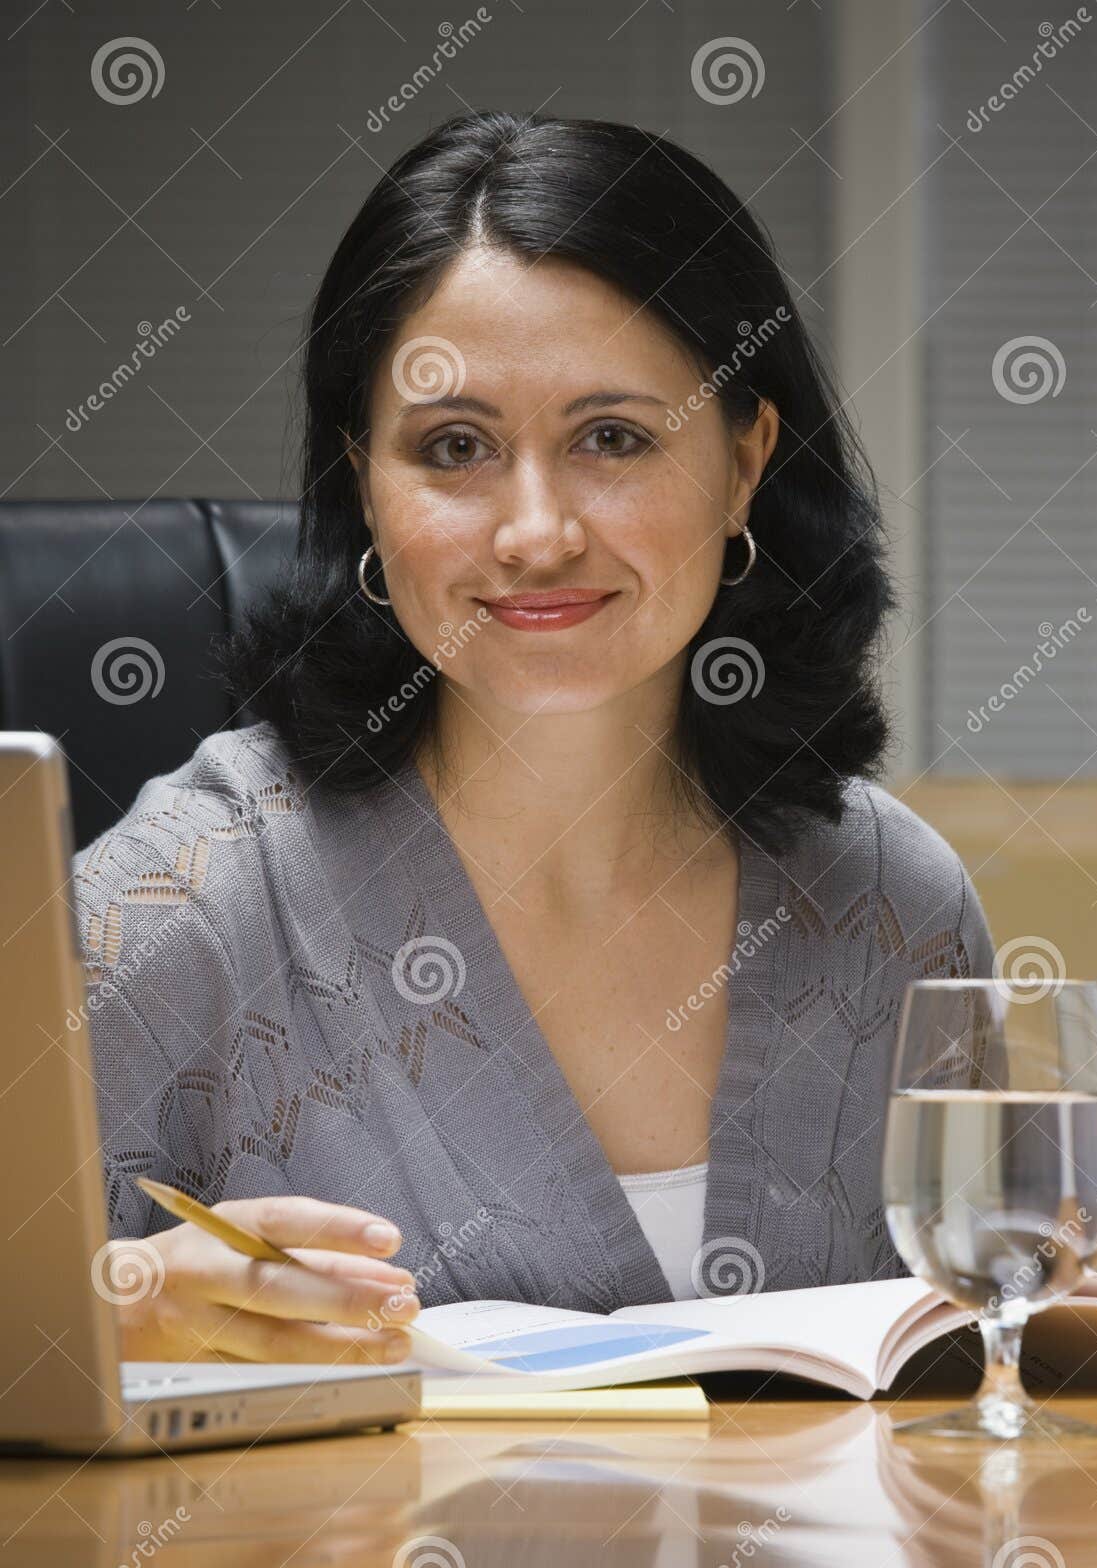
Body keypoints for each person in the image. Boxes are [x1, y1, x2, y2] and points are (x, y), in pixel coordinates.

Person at [71, 110, 994, 1365]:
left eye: (610, 438)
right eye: (455, 449)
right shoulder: (185, 902)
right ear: (365, 488)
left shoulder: (896, 907)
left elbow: (976, 1388)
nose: (535, 531)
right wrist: (107, 1315)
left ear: (742, 462)